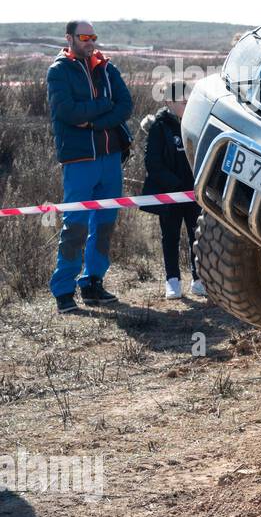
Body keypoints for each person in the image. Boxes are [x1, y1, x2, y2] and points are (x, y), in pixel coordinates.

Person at [47, 21, 134, 314]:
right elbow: (67, 112)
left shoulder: (107, 68)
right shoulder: (58, 71)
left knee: (105, 224)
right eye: (84, 37)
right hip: (79, 160)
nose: (90, 42)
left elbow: (125, 106)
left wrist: (95, 120)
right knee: (76, 225)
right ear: (69, 38)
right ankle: (63, 290)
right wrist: (103, 104)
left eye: (93, 37)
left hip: (110, 158)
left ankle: (93, 282)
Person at [140, 80, 204, 299]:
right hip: (169, 194)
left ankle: (198, 279)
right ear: (169, 101)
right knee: (170, 237)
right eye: (181, 101)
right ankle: (173, 281)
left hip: (194, 193)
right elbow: (152, 162)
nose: (186, 104)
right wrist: (174, 185)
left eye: (189, 100)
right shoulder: (159, 127)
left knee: (197, 236)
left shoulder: (196, 123)